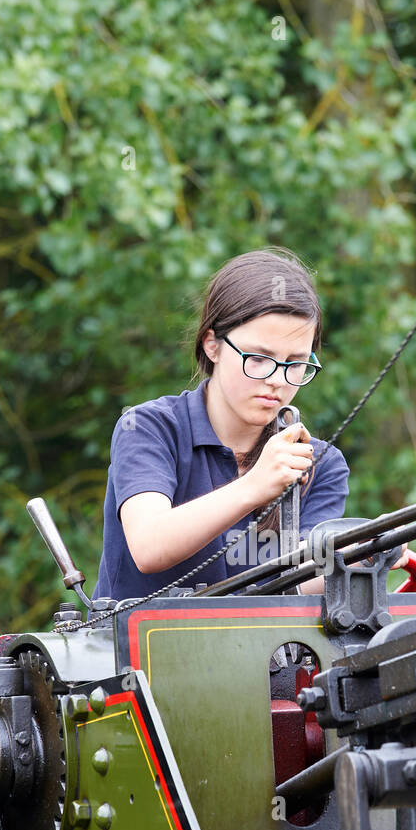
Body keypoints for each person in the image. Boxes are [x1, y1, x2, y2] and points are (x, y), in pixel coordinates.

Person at [92, 247, 354, 603]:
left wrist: (355, 552)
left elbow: (297, 584)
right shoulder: (147, 428)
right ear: (212, 345)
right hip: (135, 653)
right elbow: (149, 546)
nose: (277, 380)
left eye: (296, 363)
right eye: (259, 358)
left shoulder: (319, 463)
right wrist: (255, 485)